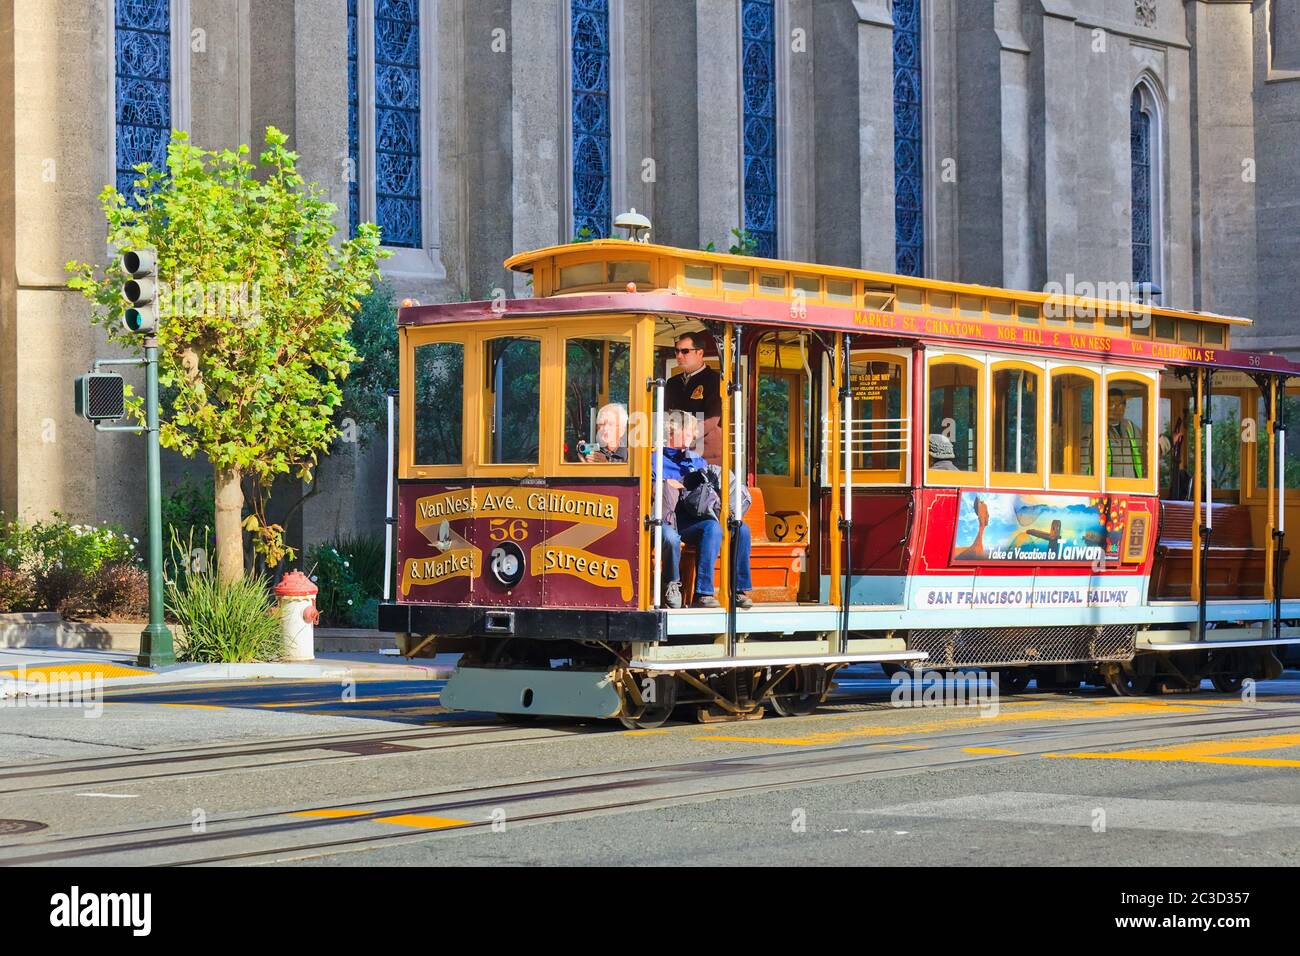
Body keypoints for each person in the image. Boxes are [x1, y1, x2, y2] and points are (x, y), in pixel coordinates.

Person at [653, 411, 753, 609]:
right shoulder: (654, 460)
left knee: (738, 528)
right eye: (688, 431)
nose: (692, 435)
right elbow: (653, 491)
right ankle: (686, 588)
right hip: (670, 517)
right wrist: (667, 484)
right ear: (673, 431)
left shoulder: (697, 461)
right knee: (704, 530)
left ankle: (720, 592)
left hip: (693, 518)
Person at [664, 331, 722, 464]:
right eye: (676, 351)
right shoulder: (672, 383)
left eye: (685, 351)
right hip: (676, 454)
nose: (679, 356)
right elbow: (667, 417)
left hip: (706, 455)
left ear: (700, 353)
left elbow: (712, 418)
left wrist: (687, 436)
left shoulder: (715, 380)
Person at [1105, 387, 1144, 479]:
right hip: (1106, 490)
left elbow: (1148, 450)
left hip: (1131, 489)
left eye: (1120, 404)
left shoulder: (1130, 427)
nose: (1116, 408)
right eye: (1111, 404)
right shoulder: (1095, 429)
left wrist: (1168, 442)